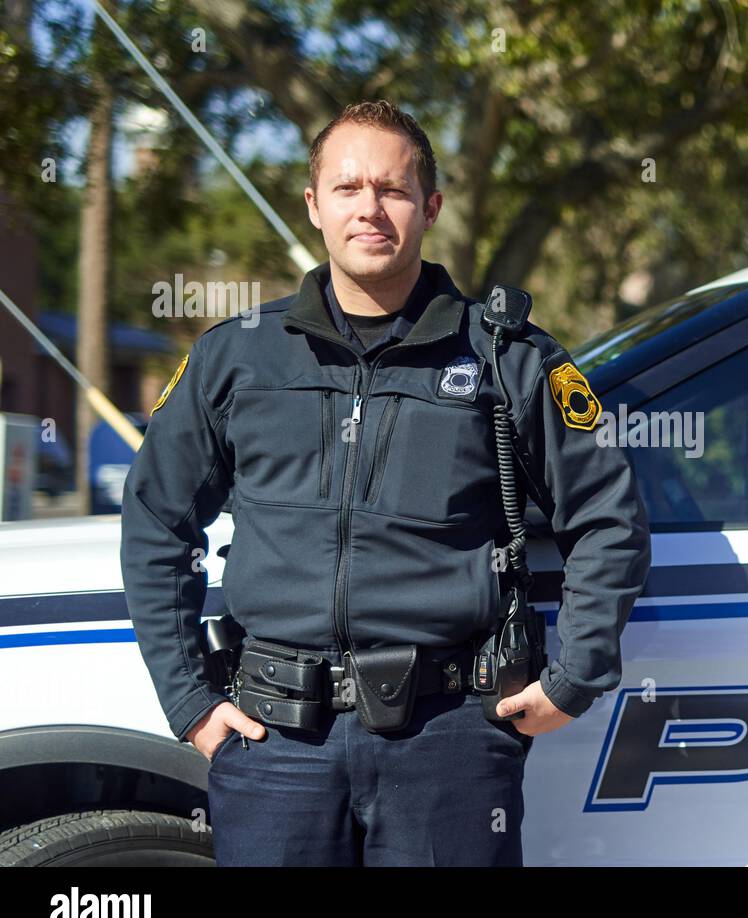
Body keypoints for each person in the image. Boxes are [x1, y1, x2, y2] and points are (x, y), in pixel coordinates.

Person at [119, 100, 652, 866]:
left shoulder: (509, 358)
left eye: (393, 190)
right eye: (347, 188)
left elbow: (607, 515)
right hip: (275, 747)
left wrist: (576, 676)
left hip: (450, 744)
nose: (370, 208)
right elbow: (155, 521)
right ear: (313, 206)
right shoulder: (236, 357)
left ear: (430, 206)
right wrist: (191, 702)